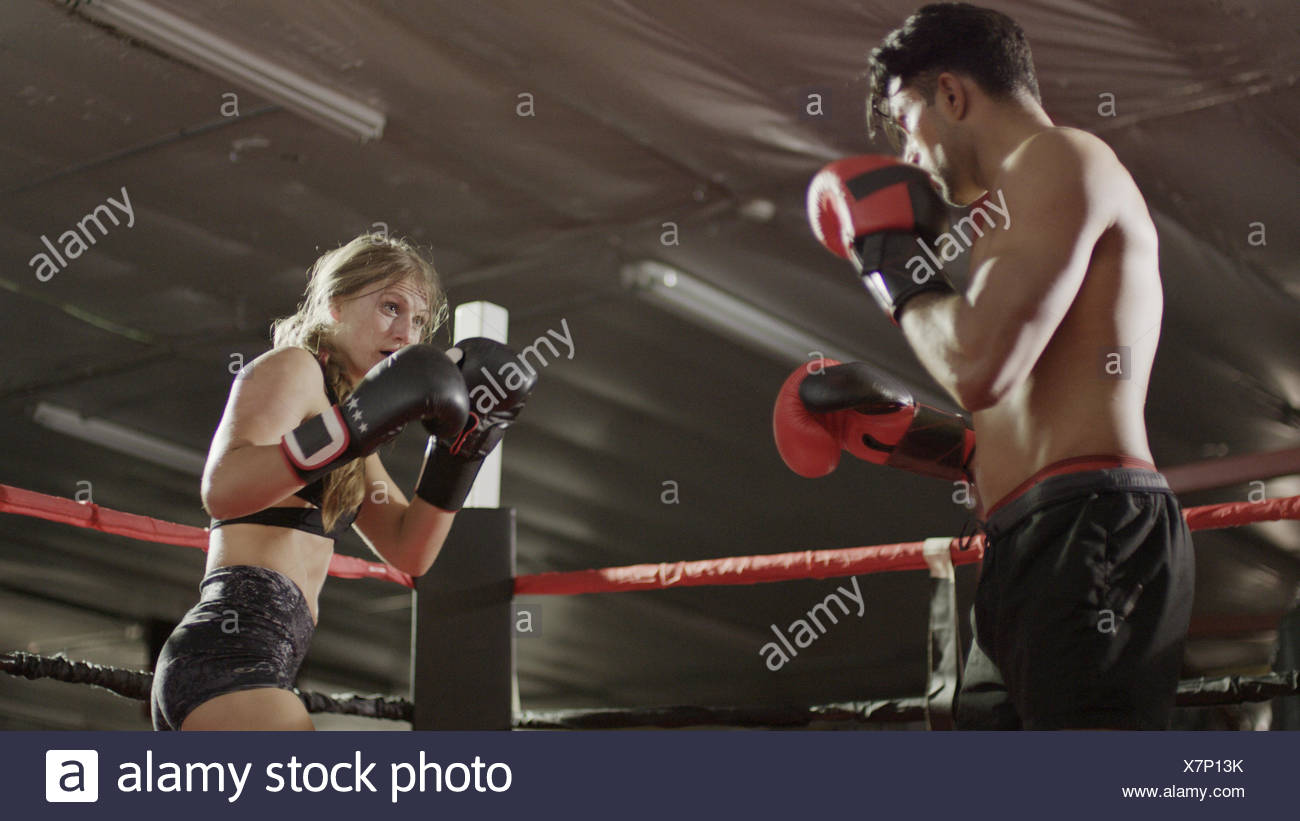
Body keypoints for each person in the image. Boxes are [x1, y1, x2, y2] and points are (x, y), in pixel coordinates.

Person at [796, 2, 1194, 729]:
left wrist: (885, 257)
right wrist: (903, 431)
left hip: (1091, 528)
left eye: (902, 120)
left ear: (951, 94)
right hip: (1027, 534)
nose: (906, 153)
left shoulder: (1061, 156)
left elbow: (979, 365)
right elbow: (1015, 413)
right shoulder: (1007, 220)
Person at [150, 233, 535, 730]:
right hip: (229, 657)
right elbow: (222, 490)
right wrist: (351, 429)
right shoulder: (293, 369)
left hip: (254, 667)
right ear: (334, 305)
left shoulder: (345, 423)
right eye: (390, 307)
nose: (405, 334)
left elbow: (409, 550)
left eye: (418, 322)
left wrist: (461, 452)